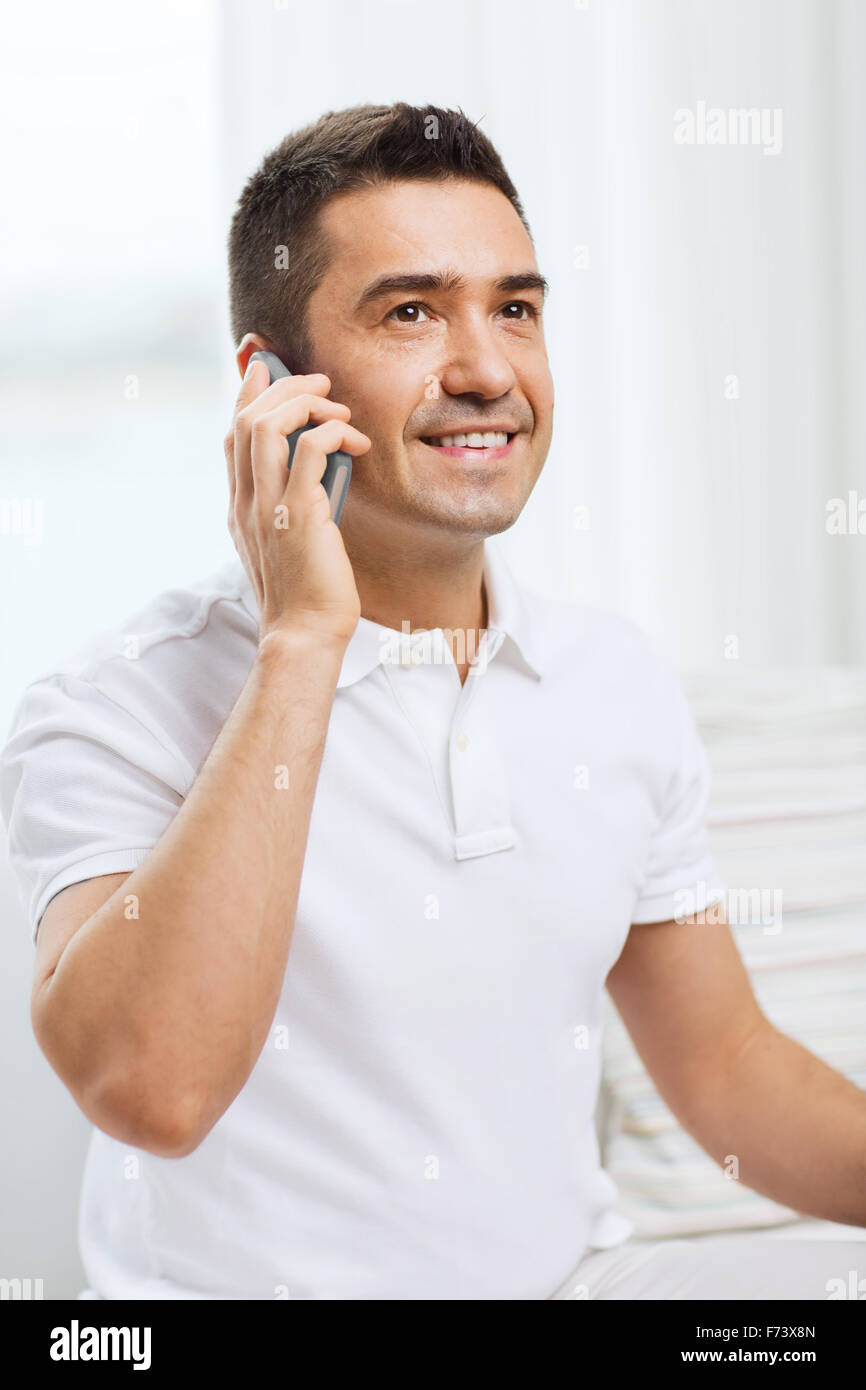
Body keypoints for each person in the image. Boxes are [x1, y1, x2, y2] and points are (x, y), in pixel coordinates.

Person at [2, 103, 864, 1301]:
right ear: (270, 385)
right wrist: (303, 636)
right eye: (410, 311)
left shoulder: (611, 684)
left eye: (513, 307)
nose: (487, 371)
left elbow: (723, 1069)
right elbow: (154, 1091)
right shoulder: (112, 703)